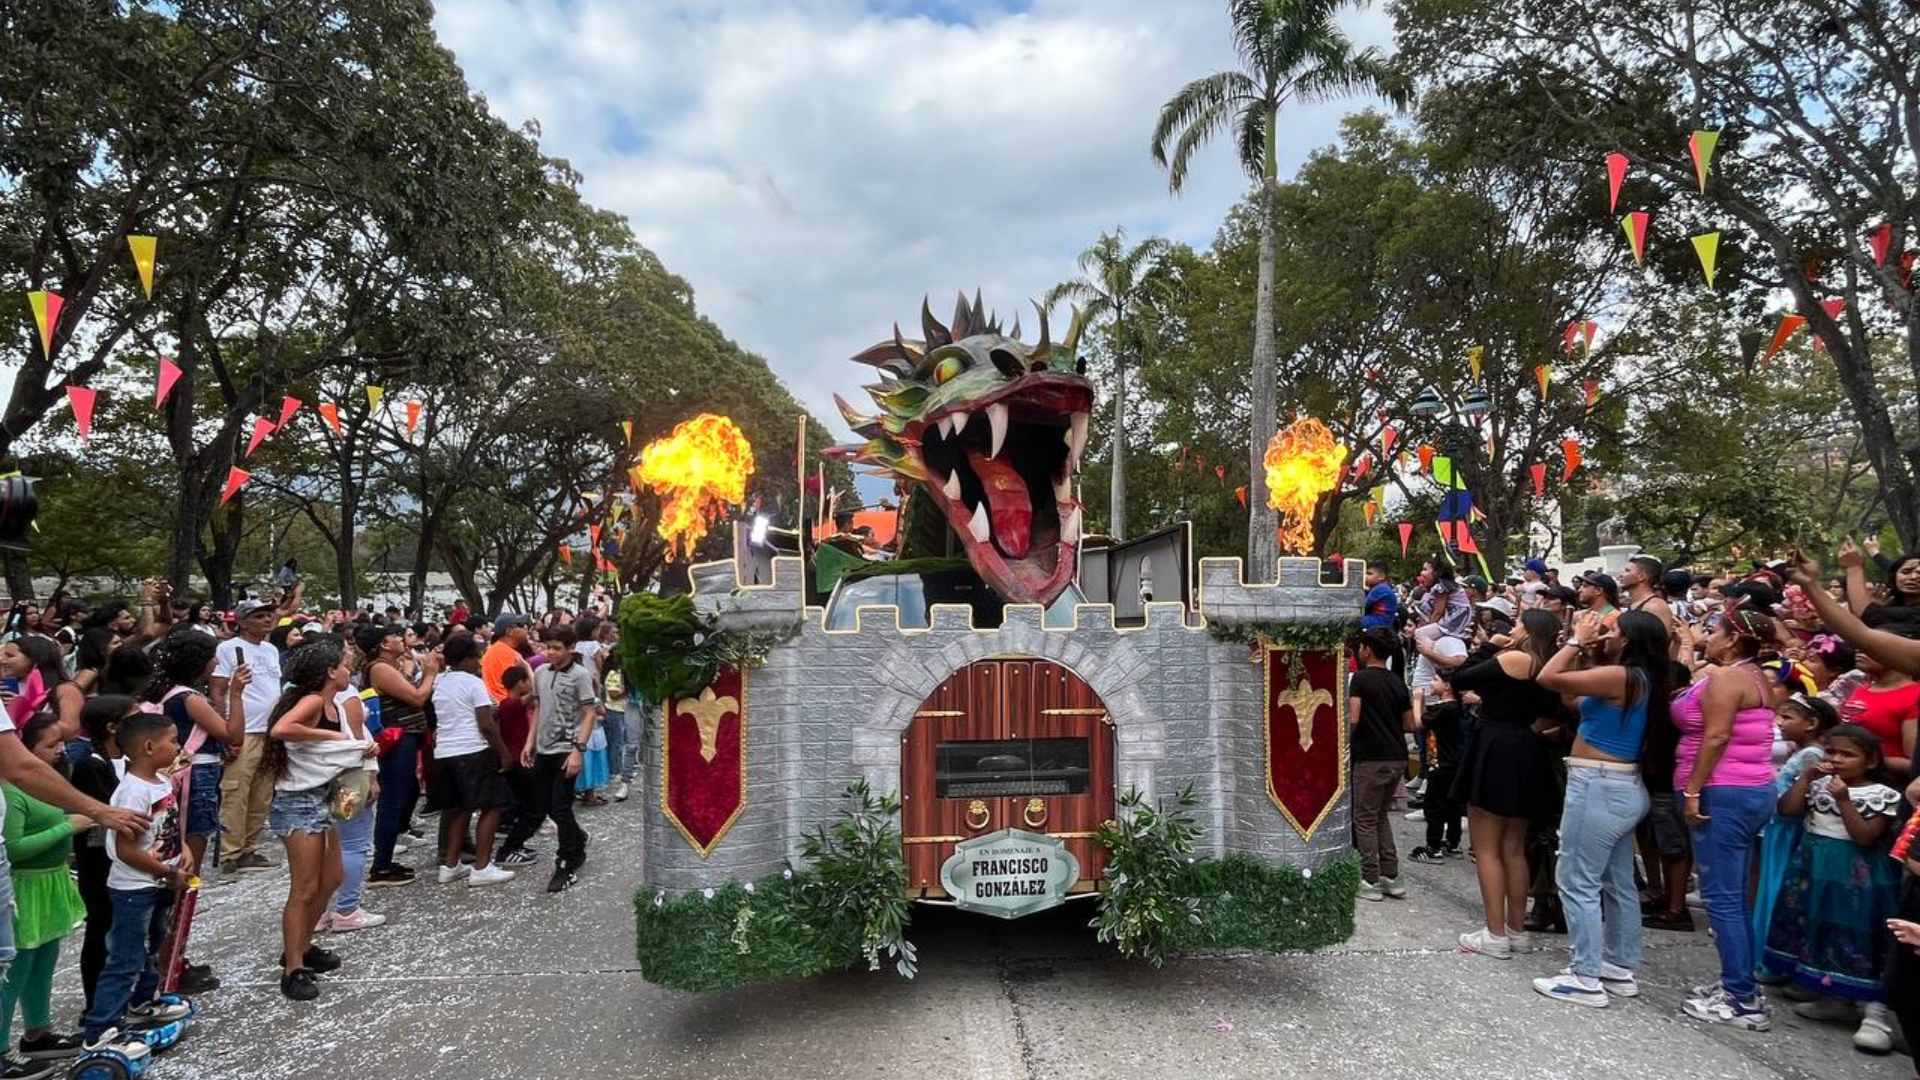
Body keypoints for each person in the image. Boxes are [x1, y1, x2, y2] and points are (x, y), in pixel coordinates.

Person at [1530, 610, 1670, 1007]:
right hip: (1620, 785)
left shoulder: (1621, 677)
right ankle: (1618, 966)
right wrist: (1586, 654)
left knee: (1577, 879)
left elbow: (1547, 677)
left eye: (1611, 631)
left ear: (1628, 640)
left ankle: (1585, 976)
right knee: (1617, 880)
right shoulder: (1637, 677)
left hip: (1598, 785)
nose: (1603, 634)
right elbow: (1572, 699)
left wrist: (1576, 639)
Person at [1762, 724, 1901, 1048]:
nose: (1837, 759)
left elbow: (1865, 838)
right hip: (1814, 867)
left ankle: (1874, 1014)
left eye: (1847, 754)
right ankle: (1835, 995)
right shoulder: (1820, 784)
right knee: (1819, 926)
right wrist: (1807, 778)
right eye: (1831, 752)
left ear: (1870, 761)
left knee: (1855, 933)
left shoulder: (1881, 794)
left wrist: (1844, 800)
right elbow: (1787, 809)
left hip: (1852, 877)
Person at [1676, 608, 1782, 1030]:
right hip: (1754, 789)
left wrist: (1693, 789)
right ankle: (1740, 985)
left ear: (1734, 639)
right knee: (1735, 896)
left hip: (1725, 792)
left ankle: (1741, 999)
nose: (1709, 636)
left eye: (1714, 630)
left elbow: (1717, 735)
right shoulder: (1758, 677)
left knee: (1723, 898)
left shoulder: (1727, 678)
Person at [1447, 608, 1565, 959]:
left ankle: (1495, 933)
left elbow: (1459, 678)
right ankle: (1516, 930)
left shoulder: (1514, 658)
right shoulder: (1549, 664)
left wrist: (1487, 647)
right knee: (1514, 848)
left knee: (1487, 848)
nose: (1512, 629)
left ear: (1528, 632)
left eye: (1518, 625)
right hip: (1527, 746)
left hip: (1496, 746)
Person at [77, 708, 192, 1059]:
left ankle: (143, 1001)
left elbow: (168, 824)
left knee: (152, 945)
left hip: (159, 882)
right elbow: (126, 851)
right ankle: (100, 1030)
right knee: (125, 957)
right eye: (172, 740)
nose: (178, 746)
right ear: (148, 747)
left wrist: (183, 851)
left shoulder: (161, 782)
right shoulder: (132, 793)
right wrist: (167, 873)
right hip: (134, 889)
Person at [263, 639, 367, 1000]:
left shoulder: (335, 703)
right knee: (305, 888)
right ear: (330, 671)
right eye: (344, 665)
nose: (349, 670)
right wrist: (332, 736)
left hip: (324, 796)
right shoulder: (310, 701)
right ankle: (293, 966)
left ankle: (303, 945)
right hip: (298, 802)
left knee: (332, 877)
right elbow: (281, 729)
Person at [0, 716, 91, 1072]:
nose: (60, 751)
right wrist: (68, 826)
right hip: (26, 888)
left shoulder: (48, 783)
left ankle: (38, 1033)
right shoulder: (12, 791)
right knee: (14, 970)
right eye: (50, 745)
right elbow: (14, 848)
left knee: (44, 962)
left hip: (52, 883)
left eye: (61, 743)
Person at [499, 625, 599, 893]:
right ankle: (577, 841)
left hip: (567, 747)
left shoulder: (580, 675)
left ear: (570, 648)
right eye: (548, 647)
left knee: (561, 806)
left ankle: (566, 862)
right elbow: (540, 706)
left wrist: (578, 750)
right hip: (544, 749)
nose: (551, 652)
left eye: (557, 648)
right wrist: (530, 742)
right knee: (545, 805)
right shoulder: (542, 672)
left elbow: (589, 713)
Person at [1752, 693, 1839, 980]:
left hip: (1788, 831)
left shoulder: (1811, 756)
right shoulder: (1801, 751)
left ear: (1811, 723)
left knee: (1776, 888)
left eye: (1787, 717)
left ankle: (1770, 959)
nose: (1780, 723)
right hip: (1779, 828)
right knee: (1769, 886)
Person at [427, 634, 516, 888]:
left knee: (460, 807)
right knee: (491, 806)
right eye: (476, 657)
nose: (479, 662)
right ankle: (482, 866)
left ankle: (450, 864)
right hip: (472, 750)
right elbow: (486, 724)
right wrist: (504, 752)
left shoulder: (440, 681)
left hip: (445, 751)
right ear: (466, 658)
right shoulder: (474, 683)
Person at [357, 625, 439, 887]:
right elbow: (416, 698)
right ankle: (381, 866)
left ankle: (387, 854)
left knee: (408, 791)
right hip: (397, 738)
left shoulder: (390, 666)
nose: (401, 639)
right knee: (392, 799)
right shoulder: (379, 668)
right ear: (383, 644)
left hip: (406, 737)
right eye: (394, 636)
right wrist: (430, 673)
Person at [212, 599, 288, 871]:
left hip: (269, 731)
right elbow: (218, 690)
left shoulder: (270, 649)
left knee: (262, 793)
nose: (267, 619)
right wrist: (225, 730)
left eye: (268, 615)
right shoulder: (228, 648)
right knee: (236, 792)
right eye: (259, 616)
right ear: (243, 622)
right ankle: (230, 853)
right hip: (244, 731)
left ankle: (249, 847)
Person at [322, 642, 384, 935]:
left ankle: (319, 911)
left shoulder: (299, 697)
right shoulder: (346, 696)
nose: (352, 653)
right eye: (346, 651)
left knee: (326, 846)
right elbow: (358, 743)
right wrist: (370, 777)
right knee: (353, 842)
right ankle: (347, 909)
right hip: (348, 779)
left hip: (320, 779)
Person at [1346, 629, 1412, 901]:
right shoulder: (1397, 681)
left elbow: (1353, 718)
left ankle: (1369, 878)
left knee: (1364, 817)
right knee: (1380, 815)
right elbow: (1410, 724)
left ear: (1368, 650)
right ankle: (1391, 876)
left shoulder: (1361, 679)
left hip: (1370, 757)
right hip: (1397, 755)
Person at [1837, 644, 1919, 780]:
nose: (1859, 650)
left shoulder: (1915, 696)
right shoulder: (1862, 689)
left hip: (1887, 783)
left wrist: (1865, 760)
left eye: (1871, 646)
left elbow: (1914, 763)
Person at [1407, 669, 1463, 862]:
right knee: (1451, 805)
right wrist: (1423, 702)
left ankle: (1433, 847)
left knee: (1434, 806)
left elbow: (1419, 723)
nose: (1431, 683)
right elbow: (1427, 717)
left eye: (1435, 680)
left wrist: (1416, 700)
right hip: (1448, 762)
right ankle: (1453, 843)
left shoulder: (1445, 709)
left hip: (1440, 764)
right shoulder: (1451, 707)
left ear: (1447, 686)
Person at [0, 639, 83, 745]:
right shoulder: (7, 686)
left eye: (10, 656)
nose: (2, 660)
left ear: (34, 660)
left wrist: (25, 714)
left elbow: (70, 730)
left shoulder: (65, 690)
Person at [482, 614, 531, 704]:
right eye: (521, 625)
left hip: (496, 703)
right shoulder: (509, 654)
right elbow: (523, 686)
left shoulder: (493, 649)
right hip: (507, 704)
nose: (526, 627)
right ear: (509, 631)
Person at [1361, 560, 1399, 631]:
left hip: (1378, 621)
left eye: (1369, 574)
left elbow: (1363, 605)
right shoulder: (1384, 587)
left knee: (1353, 621)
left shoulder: (1380, 588)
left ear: (1381, 576)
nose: (1365, 576)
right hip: (1385, 622)